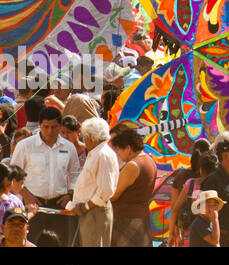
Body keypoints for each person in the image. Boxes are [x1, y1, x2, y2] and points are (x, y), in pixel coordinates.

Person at [10, 105, 79, 245]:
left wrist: (70, 194)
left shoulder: (69, 147)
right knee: (31, 243)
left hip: (59, 206)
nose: (50, 131)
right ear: (40, 125)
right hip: (33, 206)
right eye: (46, 126)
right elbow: (13, 175)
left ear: (60, 126)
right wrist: (26, 195)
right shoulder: (25, 146)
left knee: (60, 243)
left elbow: (75, 173)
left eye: (54, 127)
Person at [69, 117, 117, 247]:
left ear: (90, 137)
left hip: (96, 212)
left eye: (84, 137)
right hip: (91, 211)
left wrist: (86, 206)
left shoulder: (102, 155)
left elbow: (106, 190)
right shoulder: (97, 153)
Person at [108, 128, 156, 247]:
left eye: (119, 150)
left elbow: (113, 195)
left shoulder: (133, 165)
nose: (118, 154)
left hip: (126, 220)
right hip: (141, 217)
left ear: (128, 148)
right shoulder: (150, 161)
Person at [167, 139, 212, 247]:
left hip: (185, 232)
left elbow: (174, 208)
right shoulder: (213, 179)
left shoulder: (181, 176)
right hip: (207, 231)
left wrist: (172, 231)